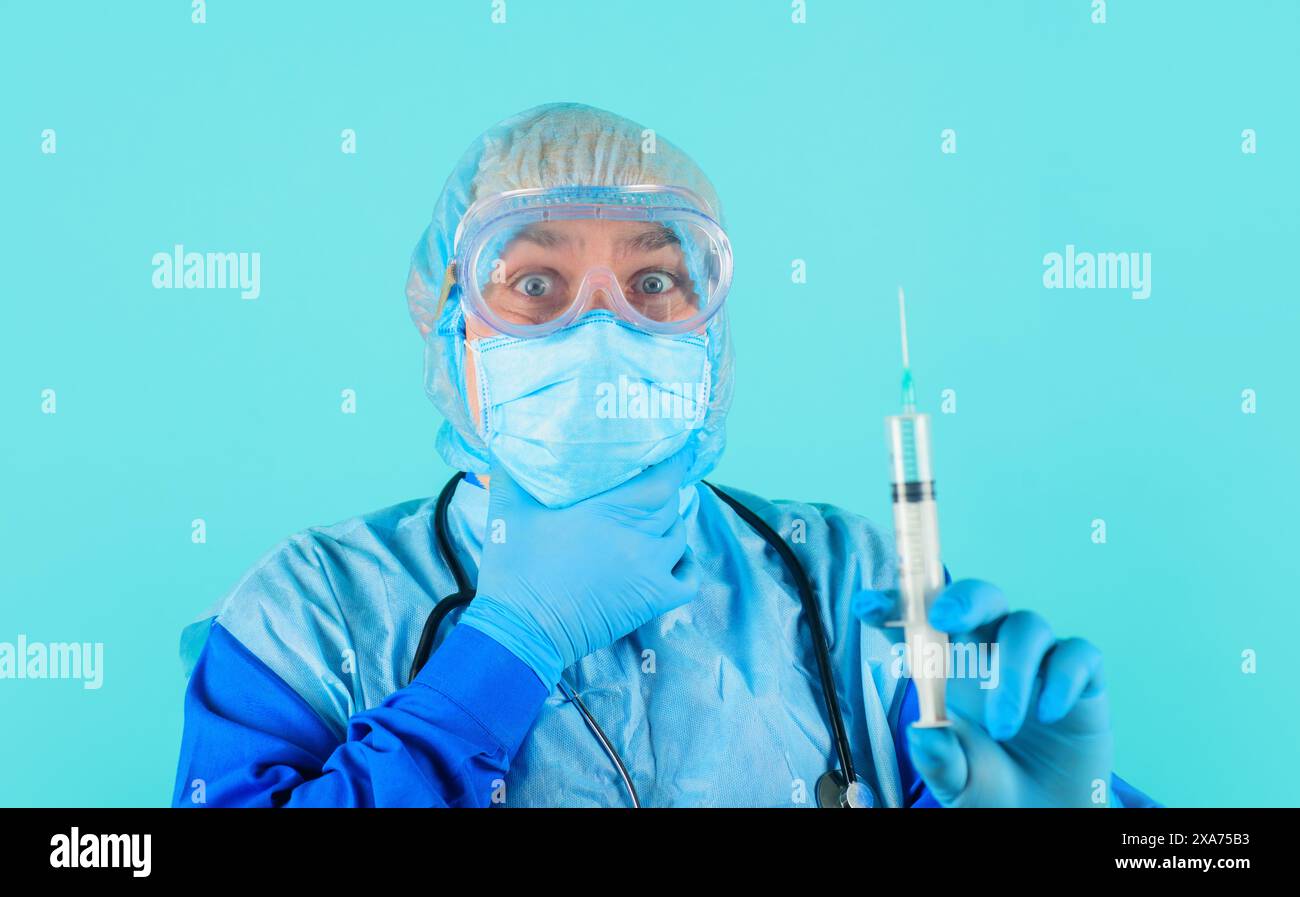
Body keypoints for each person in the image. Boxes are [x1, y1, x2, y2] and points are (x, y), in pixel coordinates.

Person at [172, 102, 1157, 808]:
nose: (600, 324)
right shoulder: (308, 613)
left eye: (654, 277)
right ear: (447, 327)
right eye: (534, 283)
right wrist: (503, 651)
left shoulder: (857, 584)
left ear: (714, 337)